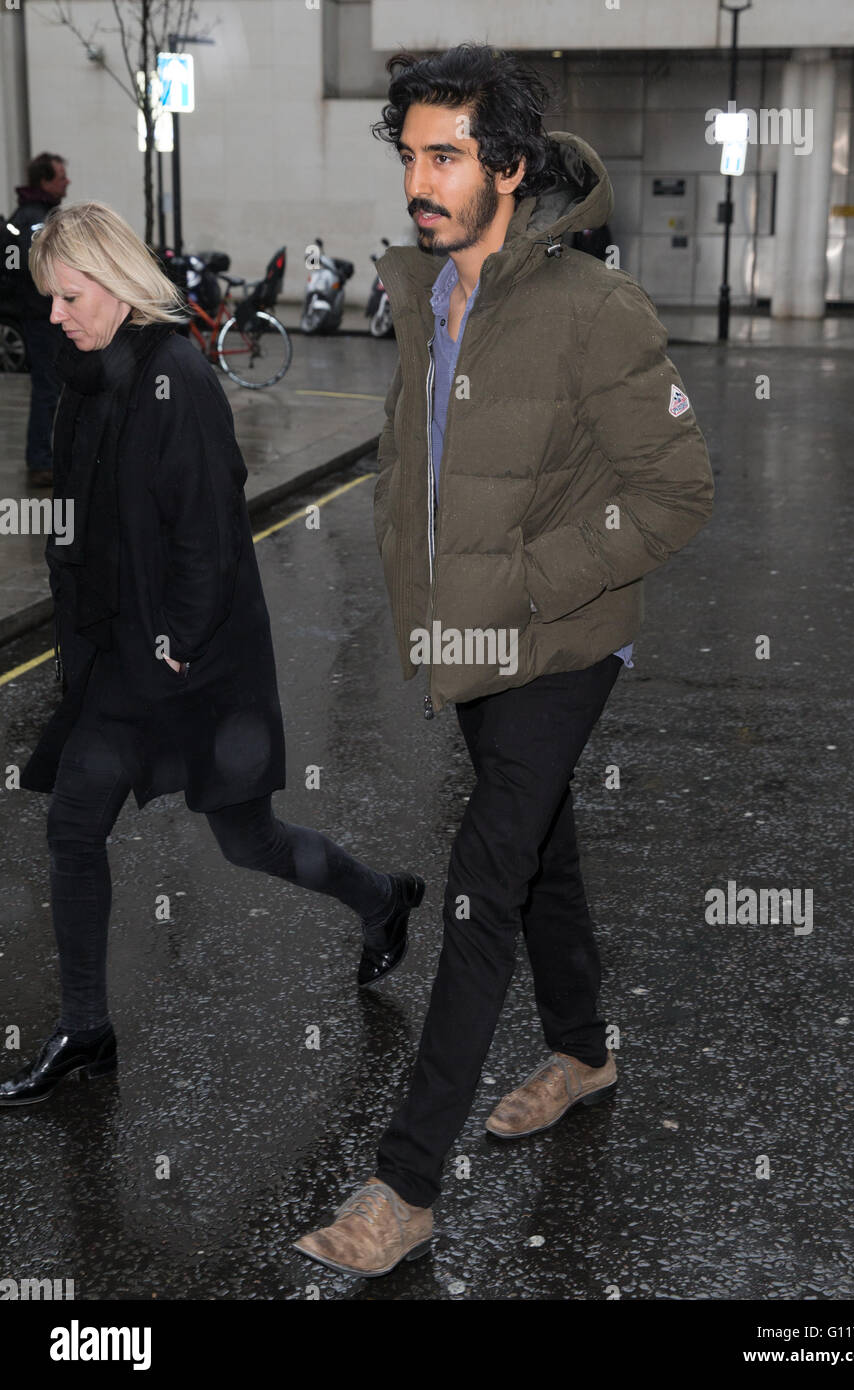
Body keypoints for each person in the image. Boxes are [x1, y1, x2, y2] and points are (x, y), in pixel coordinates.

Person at [294, 43, 714, 1277]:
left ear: (510, 168)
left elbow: (676, 493)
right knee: (541, 853)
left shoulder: (597, 309)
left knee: (483, 883)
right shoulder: (426, 292)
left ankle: (404, 1184)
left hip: (561, 642)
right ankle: (582, 1049)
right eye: (409, 153)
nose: (418, 179)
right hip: (467, 639)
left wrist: (526, 581)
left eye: (445, 156)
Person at [0, 201, 424, 1109]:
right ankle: (85, 1029)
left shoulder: (177, 375)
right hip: (120, 657)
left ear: (114, 285)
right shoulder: (86, 371)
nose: (56, 315)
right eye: (50, 299)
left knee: (249, 841)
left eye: (69, 296)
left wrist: (181, 647)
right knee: (74, 824)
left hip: (194, 664)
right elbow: (78, 506)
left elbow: (209, 531)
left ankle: (381, 898)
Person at [8, 152, 70, 487]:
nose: (67, 181)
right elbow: (35, 271)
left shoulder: (35, 215)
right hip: (41, 317)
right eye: (61, 176)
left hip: (39, 314)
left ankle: (45, 458)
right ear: (44, 181)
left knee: (51, 388)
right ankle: (41, 462)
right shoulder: (34, 220)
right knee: (48, 390)